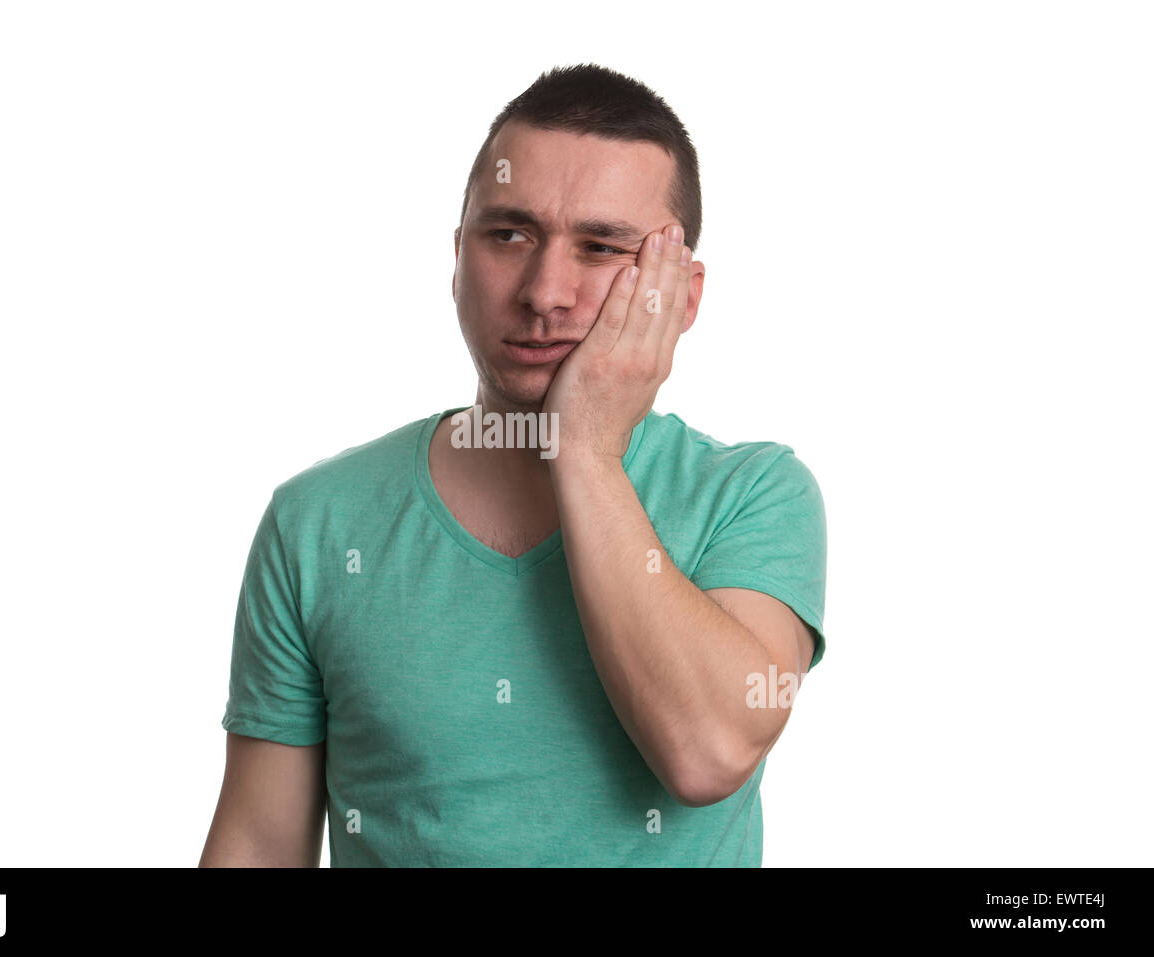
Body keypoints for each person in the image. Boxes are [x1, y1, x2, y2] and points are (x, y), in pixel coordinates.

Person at [199, 63, 827, 867]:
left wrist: (586, 450)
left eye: (601, 247)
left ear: (684, 294)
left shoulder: (755, 495)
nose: (544, 290)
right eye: (509, 235)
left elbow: (706, 750)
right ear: (458, 257)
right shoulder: (317, 522)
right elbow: (257, 843)